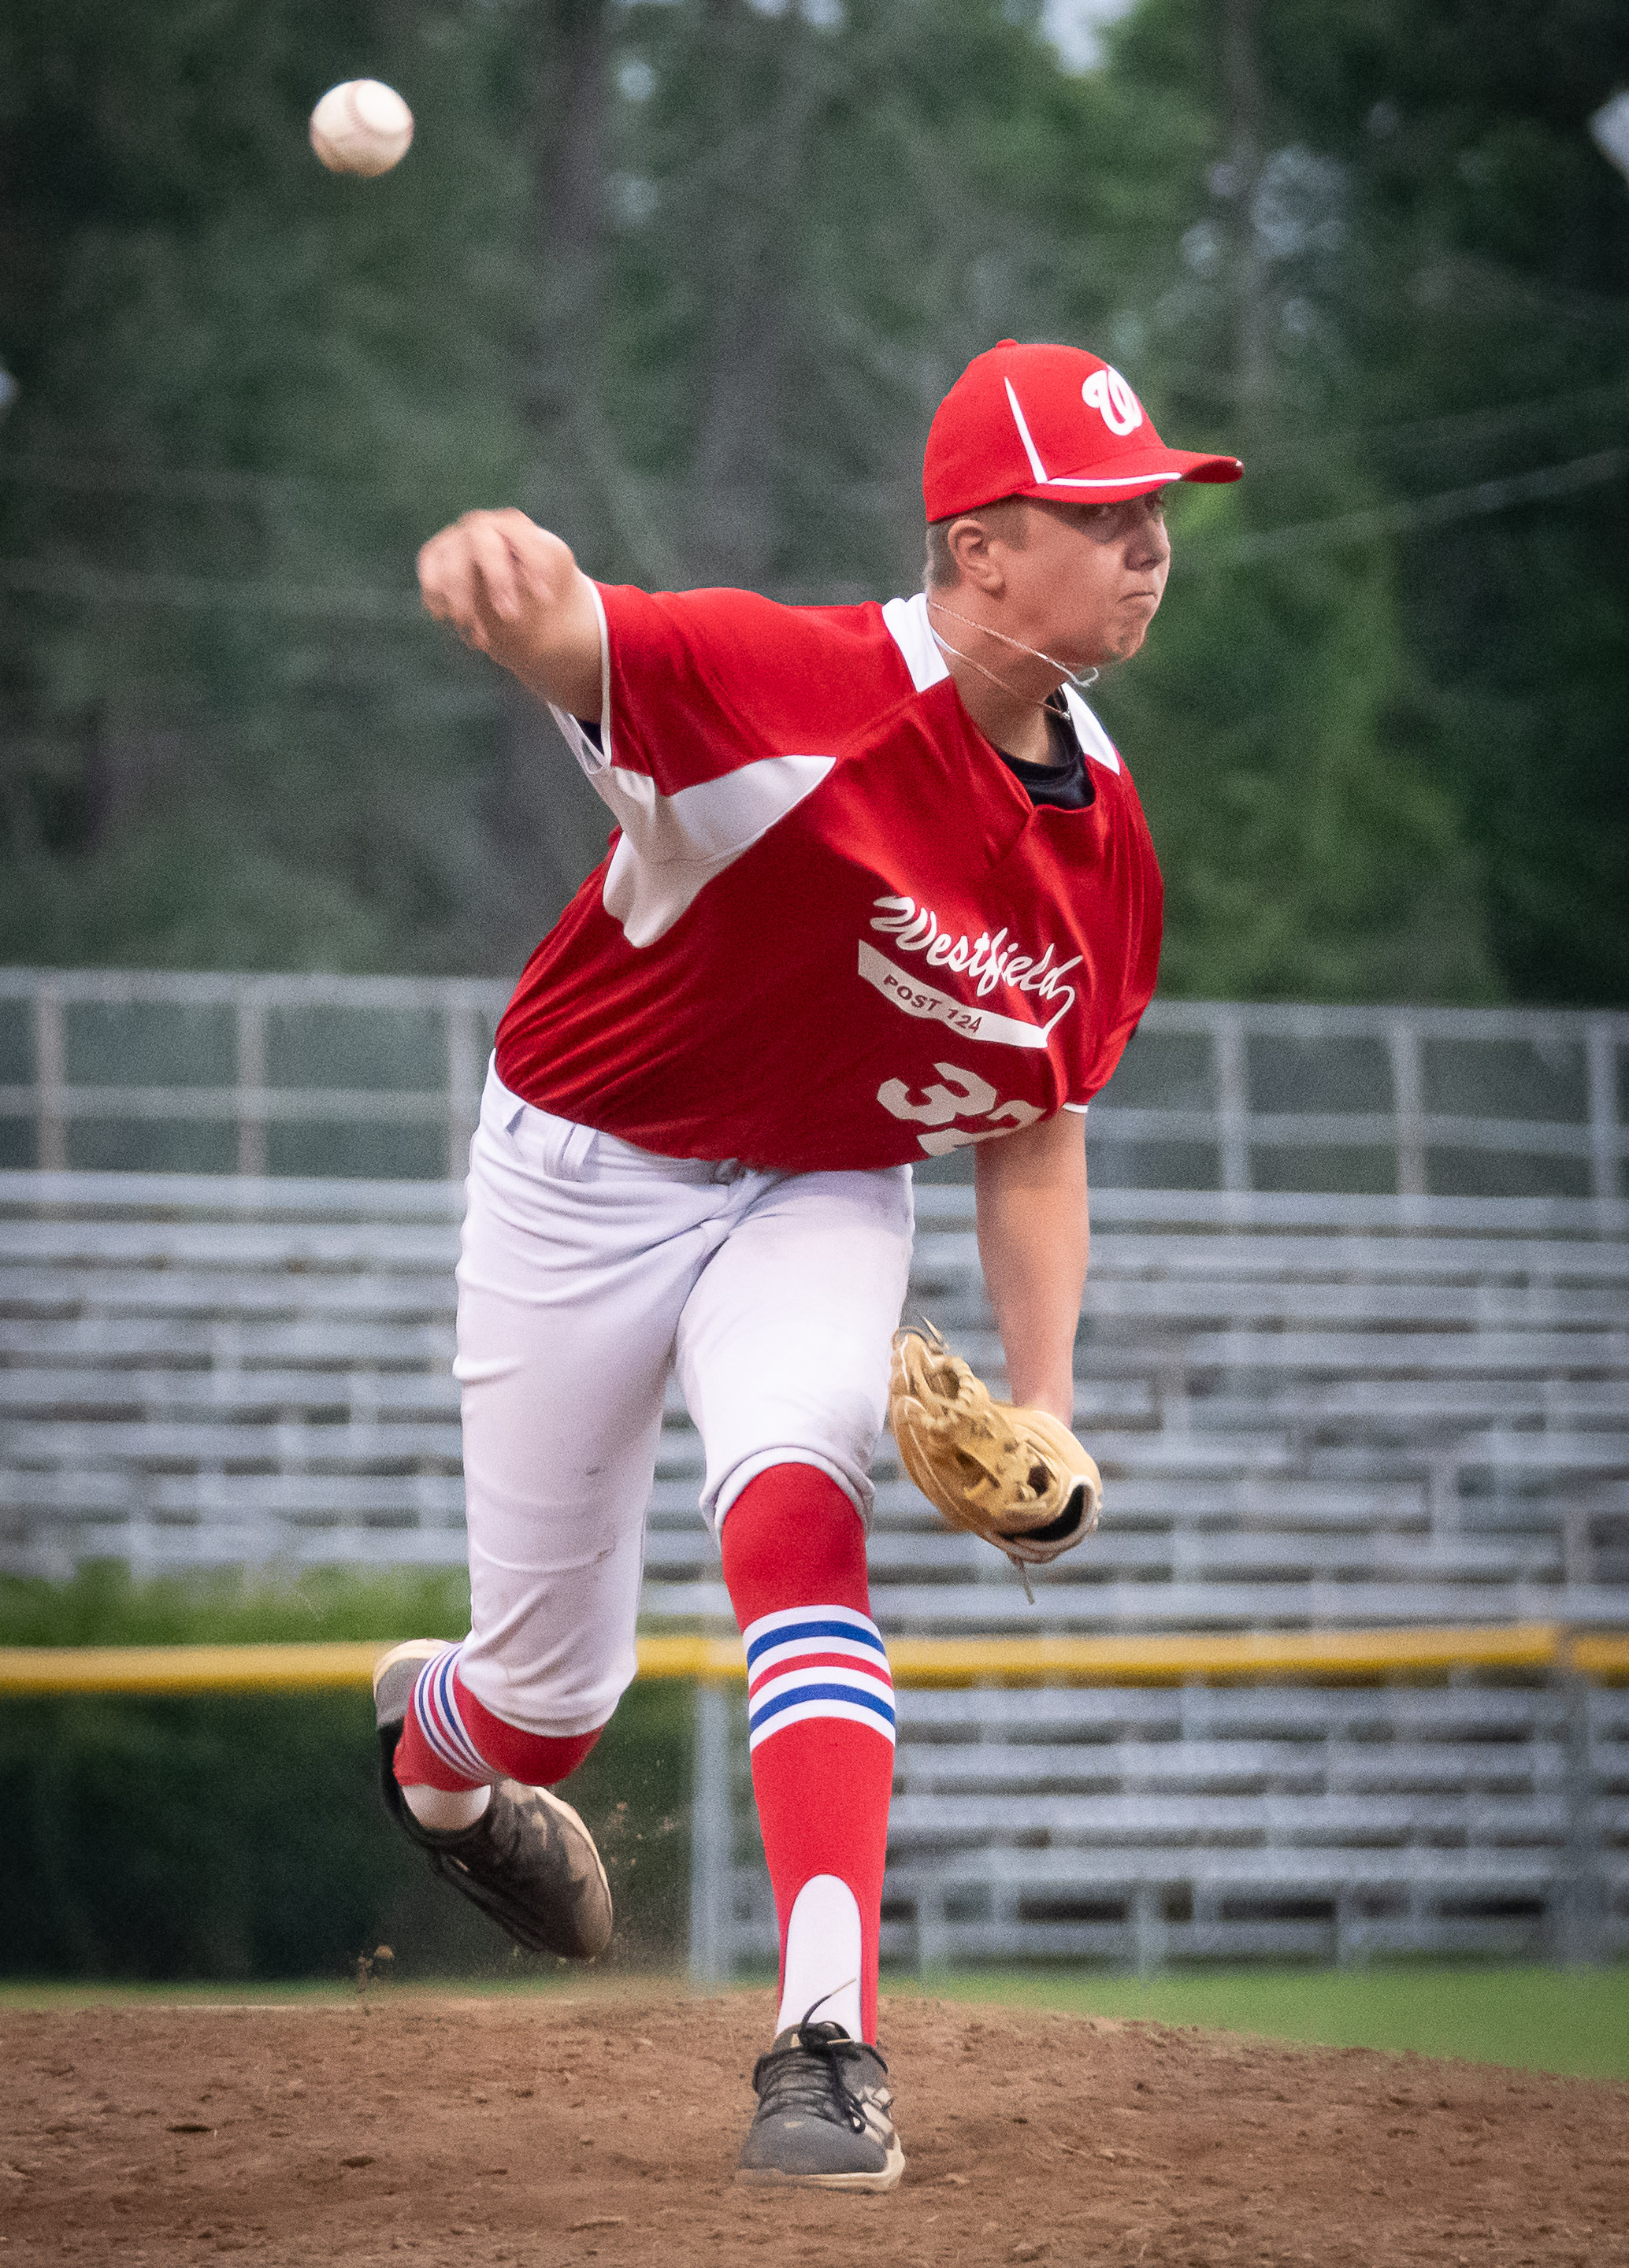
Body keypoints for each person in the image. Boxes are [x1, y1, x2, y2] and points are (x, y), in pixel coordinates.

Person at [371, 339, 1241, 2190]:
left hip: (826, 1185)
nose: (1152, 541)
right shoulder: (808, 689)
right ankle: (438, 1749)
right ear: (981, 550)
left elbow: (1034, 1116)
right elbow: (592, 643)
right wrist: (506, 579)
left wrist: (1049, 1401)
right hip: (580, 1175)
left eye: (1159, 508)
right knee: (550, 1703)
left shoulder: (1112, 843)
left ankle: (826, 2039)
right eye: (1107, 515)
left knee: (795, 1511)